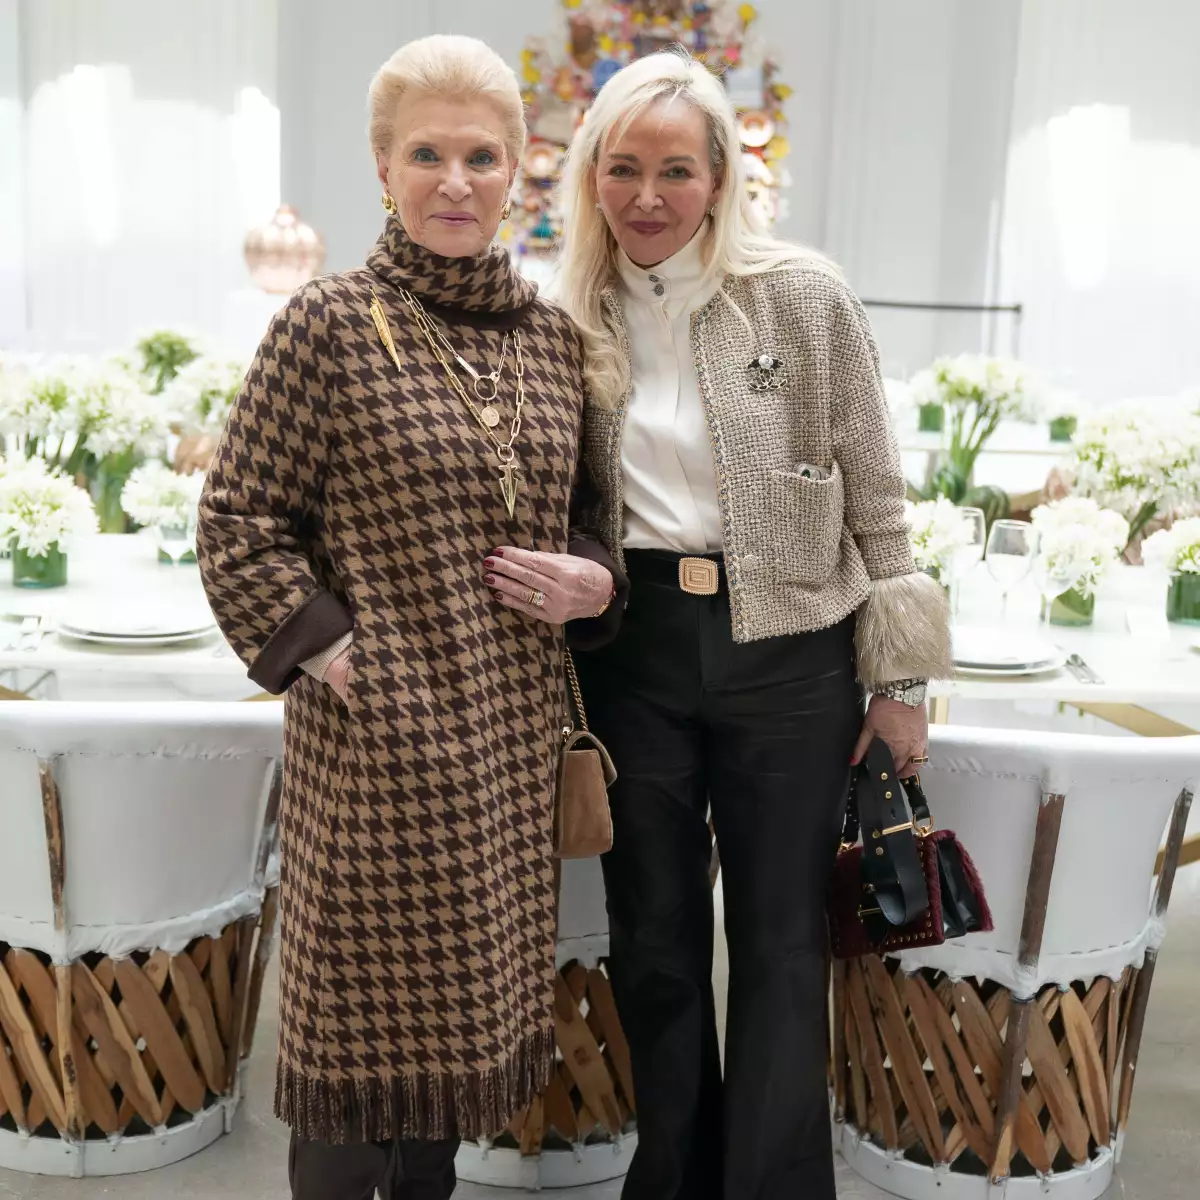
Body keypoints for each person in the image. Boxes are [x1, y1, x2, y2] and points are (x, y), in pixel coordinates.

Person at [518, 49, 954, 1200]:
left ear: (721, 177)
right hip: (631, 659)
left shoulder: (804, 295)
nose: (647, 197)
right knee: (653, 943)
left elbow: (879, 490)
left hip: (790, 655)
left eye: (675, 170)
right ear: (590, 177)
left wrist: (900, 683)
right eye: (623, 169)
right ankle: (672, 1179)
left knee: (776, 946)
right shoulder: (561, 318)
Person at [196, 35, 624, 1200]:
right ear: (382, 167)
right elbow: (237, 521)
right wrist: (340, 656)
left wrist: (594, 580)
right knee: (351, 1059)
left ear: (518, 170)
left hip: (502, 760)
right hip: (372, 758)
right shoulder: (327, 326)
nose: (454, 182)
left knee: (447, 1071)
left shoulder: (550, 343)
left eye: (481, 156)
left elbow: (592, 524)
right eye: (426, 154)